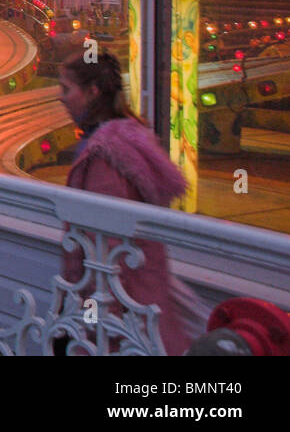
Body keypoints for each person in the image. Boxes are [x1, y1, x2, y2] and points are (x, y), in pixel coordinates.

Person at [56, 49, 206, 355]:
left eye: (65, 89)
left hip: (118, 311)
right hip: (141, 293)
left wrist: (87, 317)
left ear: (91, 92)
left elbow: (104, 248)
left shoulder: (104, 157)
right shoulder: (127, 140)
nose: (60, 97)